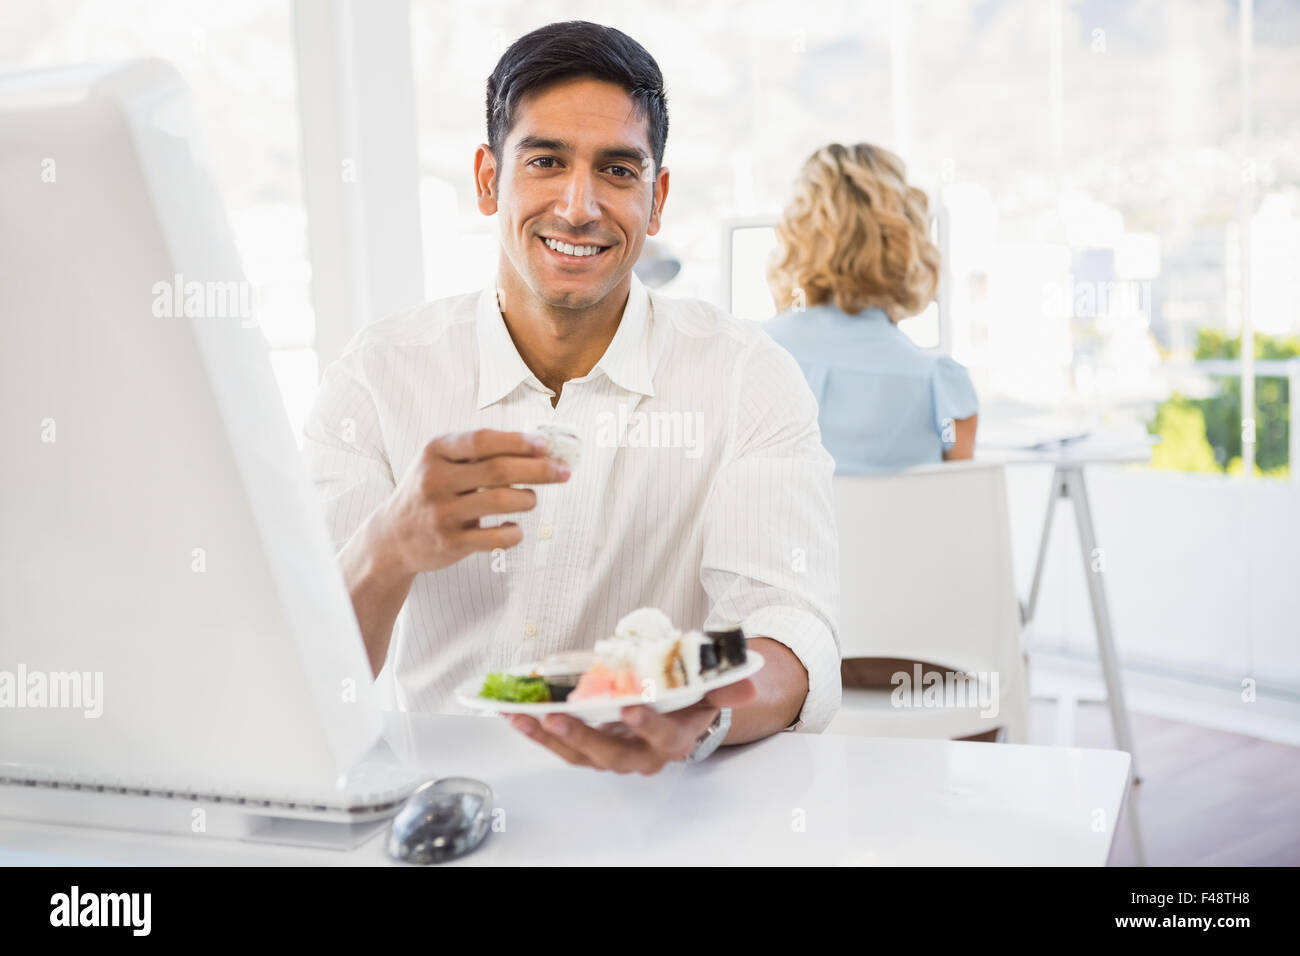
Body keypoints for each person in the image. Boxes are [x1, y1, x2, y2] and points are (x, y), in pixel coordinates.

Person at [303, 21, 840, 775]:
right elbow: (307, 687)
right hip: (443, 806)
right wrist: (387, 547)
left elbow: (786, 626)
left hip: (665, 806)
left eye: (619, 171)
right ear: (491, 180)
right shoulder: (377, 378)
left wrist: (699, 712)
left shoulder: (746, 377)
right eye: (547, 161)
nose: (580, 206)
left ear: (656, 200)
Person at [764, 142, 979, 474]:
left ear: (794, 233)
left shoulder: (747, 354)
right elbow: (958, 511)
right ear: (907, 236)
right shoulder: (944, 388)